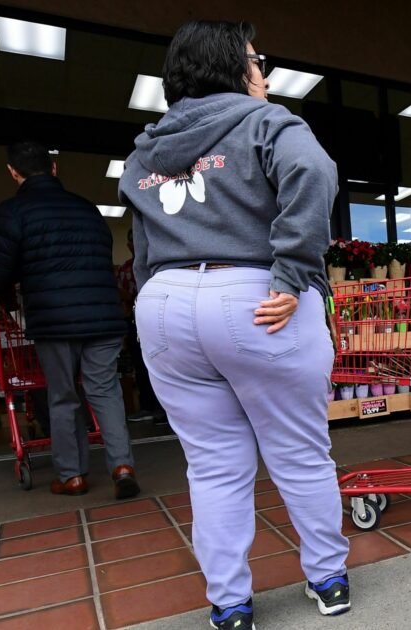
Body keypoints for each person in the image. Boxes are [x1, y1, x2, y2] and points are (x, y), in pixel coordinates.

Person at [117, 21, 350, 630]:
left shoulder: (144, 151)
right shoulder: (269, 123)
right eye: (256, 60)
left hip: (165, 303)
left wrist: (155, 298)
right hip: (255, 298)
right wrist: (293, 272)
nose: (265, 75)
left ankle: (231, 606)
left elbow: (141, 243)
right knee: (299, 451)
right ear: (230, 67)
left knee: (213, 463)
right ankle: (327, 579)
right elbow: (314, 176)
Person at [0, 141, 140, 500]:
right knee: (105, 391)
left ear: (13, 172)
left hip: (53, 321)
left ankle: (72, 476)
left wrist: (9, 301)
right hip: (102, 316)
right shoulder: (86, 209)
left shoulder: (12, 212)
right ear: (54, 168)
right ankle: (122, 467)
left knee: (64, 396)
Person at [116, 228, 166, 425]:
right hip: (150, 319)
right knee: (149, 364)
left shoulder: (131, 268)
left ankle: (154, 408)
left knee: (148, 364)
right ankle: (156, 408)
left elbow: (126, 297)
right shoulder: (159, 265)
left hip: (142, 319)